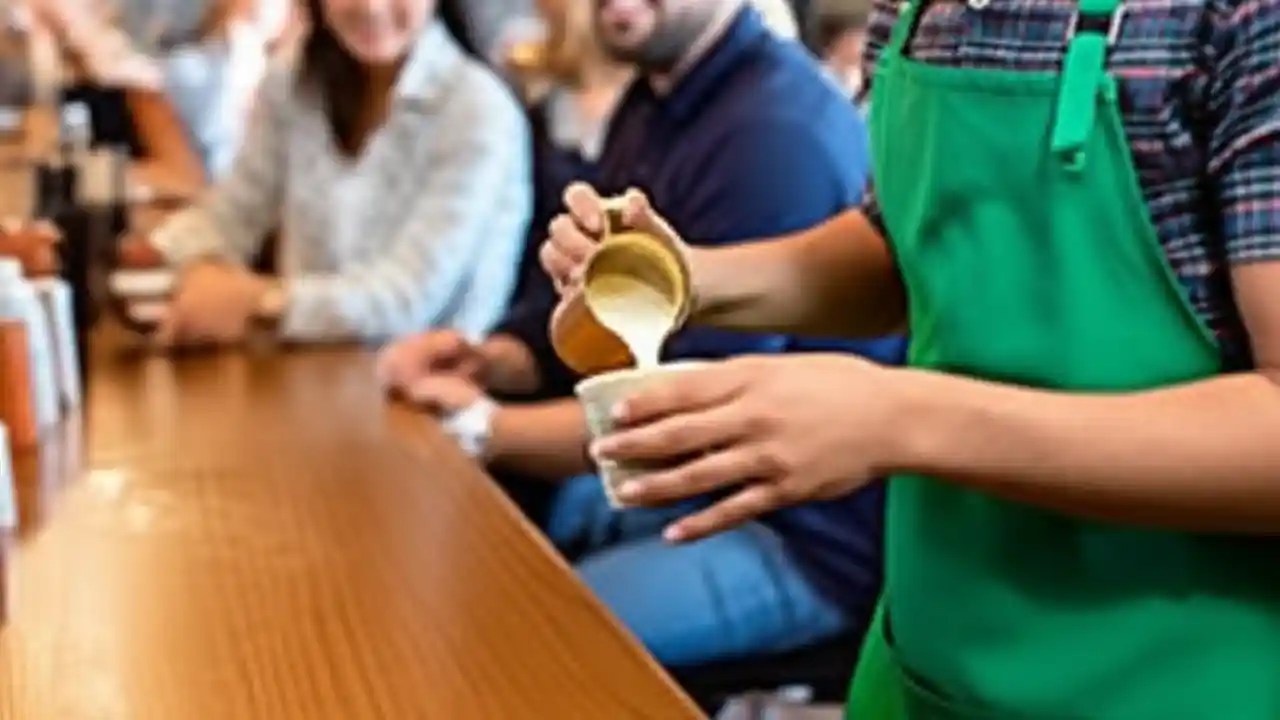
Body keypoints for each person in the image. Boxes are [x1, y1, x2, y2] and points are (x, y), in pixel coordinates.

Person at [541, 0, 1280, 716]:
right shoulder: (915, 12)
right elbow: (905, 242)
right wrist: (692, 278)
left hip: (1168, 677)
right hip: (934, 651)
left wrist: (896, 417)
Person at [381, 0, 896, 669]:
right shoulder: (656, 95)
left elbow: (691, 412)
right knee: (502, 550)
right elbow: (584, 307)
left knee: (521, 636)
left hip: (803, 533)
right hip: (704, 476)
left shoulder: (774, 132)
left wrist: (484, 429)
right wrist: (490, 362)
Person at [128, 0, 531, 346]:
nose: (372, 7)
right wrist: (158, 250)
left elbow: (408, 299)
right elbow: (236, 213)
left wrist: (261, 300)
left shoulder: (479, 109)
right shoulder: (294, 78)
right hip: (306, 375)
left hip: (427, 408)